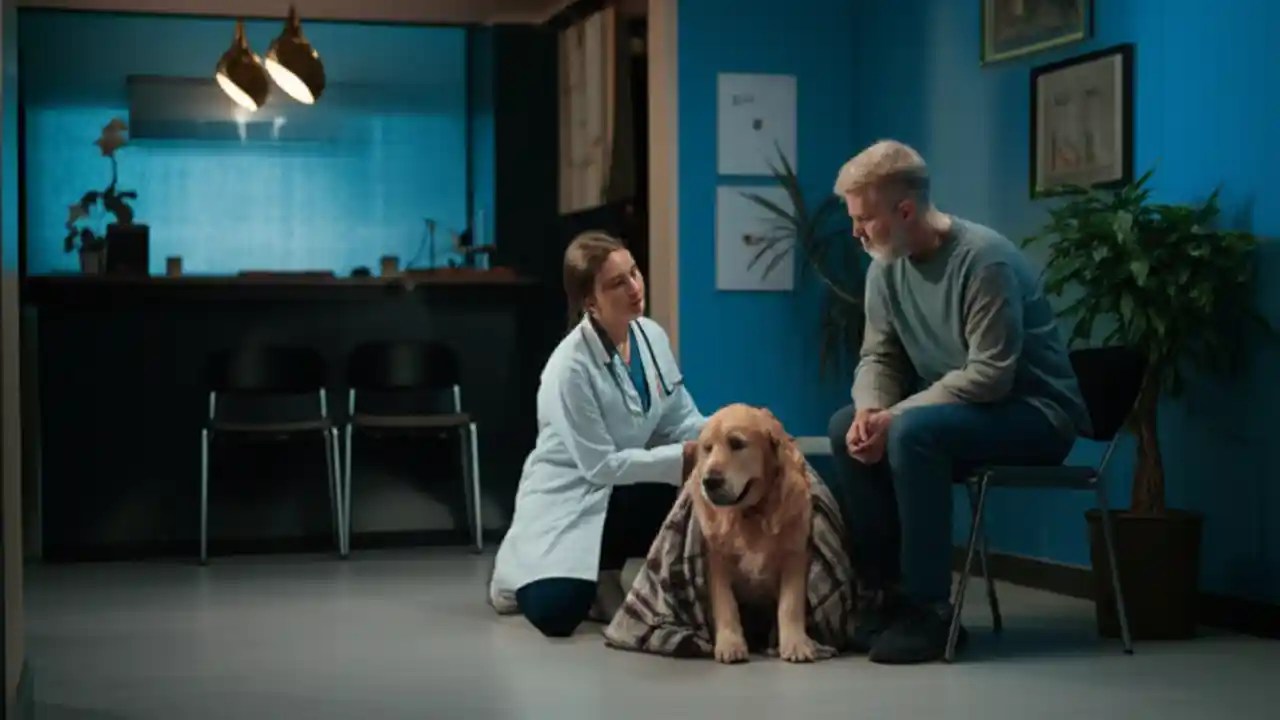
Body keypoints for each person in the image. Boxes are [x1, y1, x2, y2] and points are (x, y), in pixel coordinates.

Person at [825, 140, 1091, 664]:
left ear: (905, 210)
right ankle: (884, 597)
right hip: (960, 415)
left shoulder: (983, 259)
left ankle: (930, 613)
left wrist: (895, 415)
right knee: (844, 429)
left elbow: (991, 375)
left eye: (864, 218)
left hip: (1034, 416)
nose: (856, 232)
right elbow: (879, 356)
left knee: (912, 432)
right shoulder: (885, 266)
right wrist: (868, 411)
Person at [488, 231, 707, 638]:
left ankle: (604, 572)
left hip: (619, 490)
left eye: (634, 273)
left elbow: (678, 420)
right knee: (556, 615)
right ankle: (517, 567)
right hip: (568, 496)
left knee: (692, 486)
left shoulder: (651, 337)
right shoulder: (569, 368)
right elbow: (600, 465)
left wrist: (726, 432)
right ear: (590, 302)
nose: (634, 288)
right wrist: (685, 456)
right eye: (617, 283)